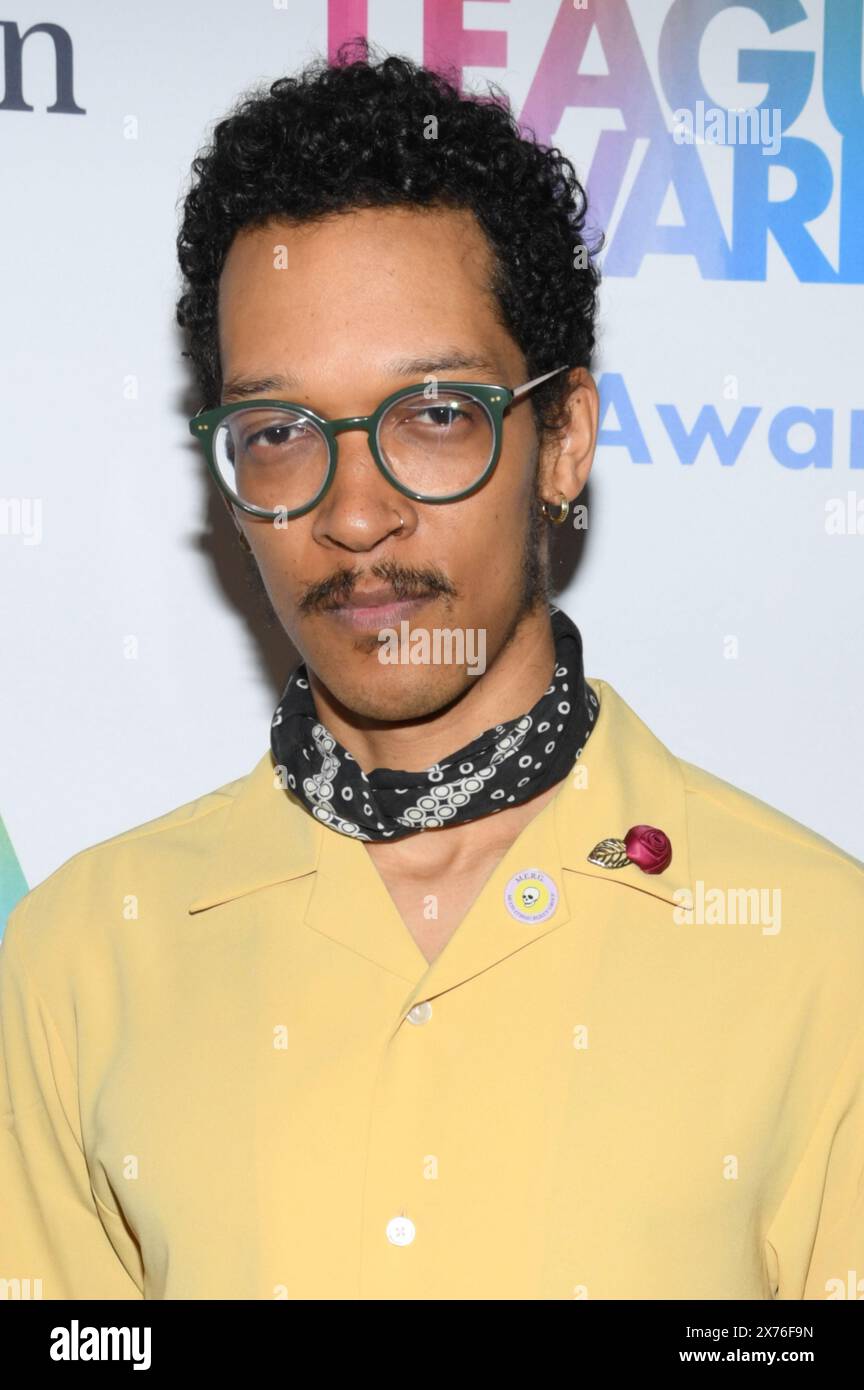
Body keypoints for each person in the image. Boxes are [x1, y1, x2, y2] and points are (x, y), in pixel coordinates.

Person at [1, 40, 862, 1302]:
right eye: (281, 433)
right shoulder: (81, 953)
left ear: (562, 439)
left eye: (437, 413)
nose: (356, 514)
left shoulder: (820, 948)